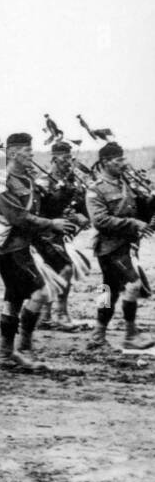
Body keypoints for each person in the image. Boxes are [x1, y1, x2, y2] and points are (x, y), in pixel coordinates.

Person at [0, 133, 79, 371]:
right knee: (40, 292)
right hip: (11, 248)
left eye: (31, 150)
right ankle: (23, 349)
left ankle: (5, 353)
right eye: (26, 151)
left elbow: (45, 207)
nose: (31, 154)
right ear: (11, 153)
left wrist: (65, 196)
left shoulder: (27, 178)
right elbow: (17, 217)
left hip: (25, 247)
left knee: (13, 300)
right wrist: (52, 224)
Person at [85, 141, 155, 350]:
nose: (123, 163)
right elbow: (100, 220)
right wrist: (133, 223)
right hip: (110, 247)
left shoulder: (127, 183)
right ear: (106, 162)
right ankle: (130, 334)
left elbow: (139, 209)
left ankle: (98, 335)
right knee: (133, 285)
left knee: (108, 290)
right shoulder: (96, 189)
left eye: (123, 158)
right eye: (118, 160)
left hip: (127, 245)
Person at [35, 141, 91, 331]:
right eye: (65, 158)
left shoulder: (71, 182)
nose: (69, 162)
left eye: (70, 158)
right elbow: (41, 209)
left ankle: (45, 316)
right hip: (43, 234)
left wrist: (79, 215)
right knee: (64, 268)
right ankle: (59, 314)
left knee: (57, 271)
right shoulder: (43, 181)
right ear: (54, 159)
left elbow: (74, 206)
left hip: (60, 235)